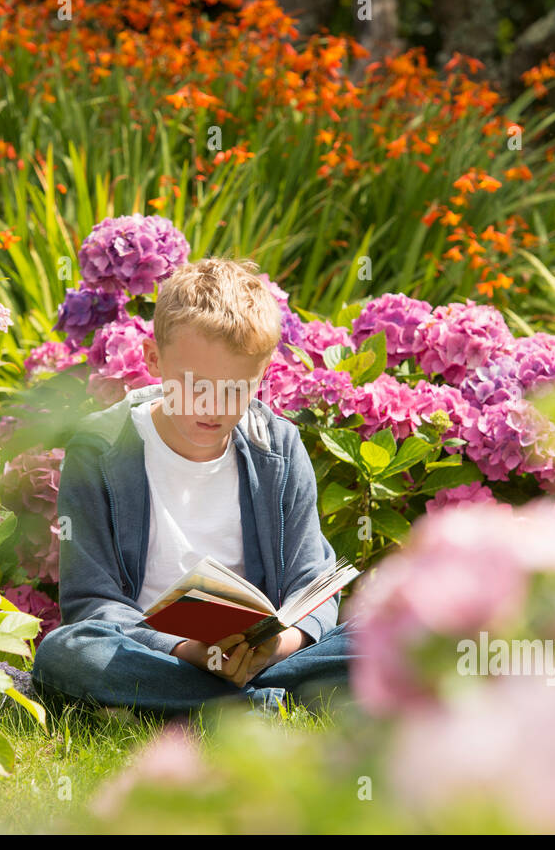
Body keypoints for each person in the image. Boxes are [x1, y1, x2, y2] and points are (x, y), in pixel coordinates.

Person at [32, 257, 358, 720]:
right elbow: (91, 604)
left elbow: (313, 583)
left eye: (235, 389)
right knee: (68, 653)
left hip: (263, 658)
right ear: (153, 360)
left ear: (262, 378)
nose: (213, 406)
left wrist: (276, 647)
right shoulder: (100, 449)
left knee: (391, 634)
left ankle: (217, 702)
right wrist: (187, 649)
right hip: (157, 653)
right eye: (195, 385)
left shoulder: (279, 447)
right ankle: (264, 705)